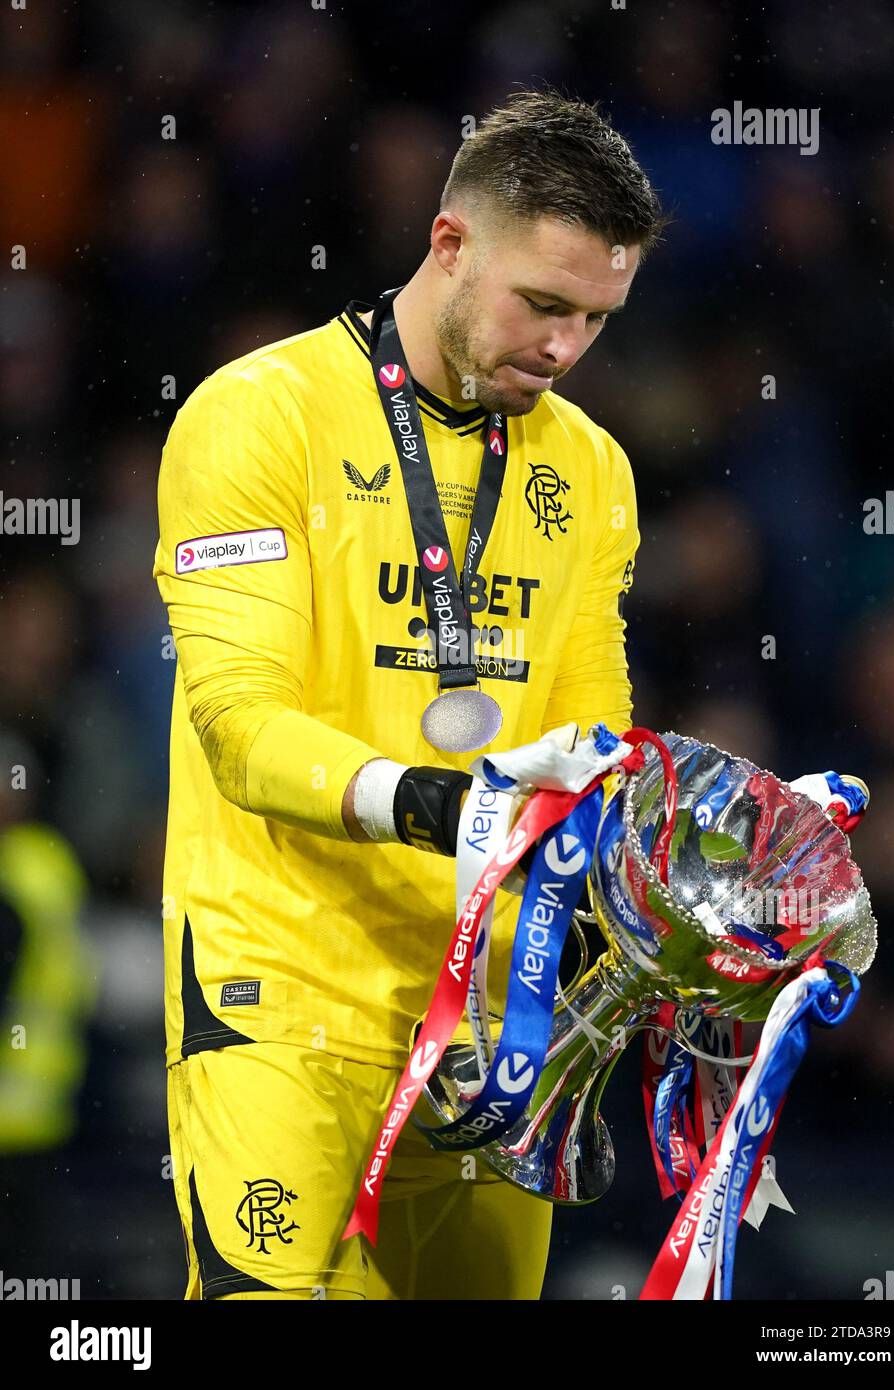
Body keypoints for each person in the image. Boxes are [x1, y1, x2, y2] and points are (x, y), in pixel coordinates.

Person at [153, 87, 664, 1301]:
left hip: (493, 1019)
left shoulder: (589, 469)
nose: (561, 349)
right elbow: (240, 728)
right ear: (447, 243)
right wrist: (441, 805)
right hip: (281, 991)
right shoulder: (256, 417)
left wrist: (698, 859)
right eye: (540, 305)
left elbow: (593, 740)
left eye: (595, 318)